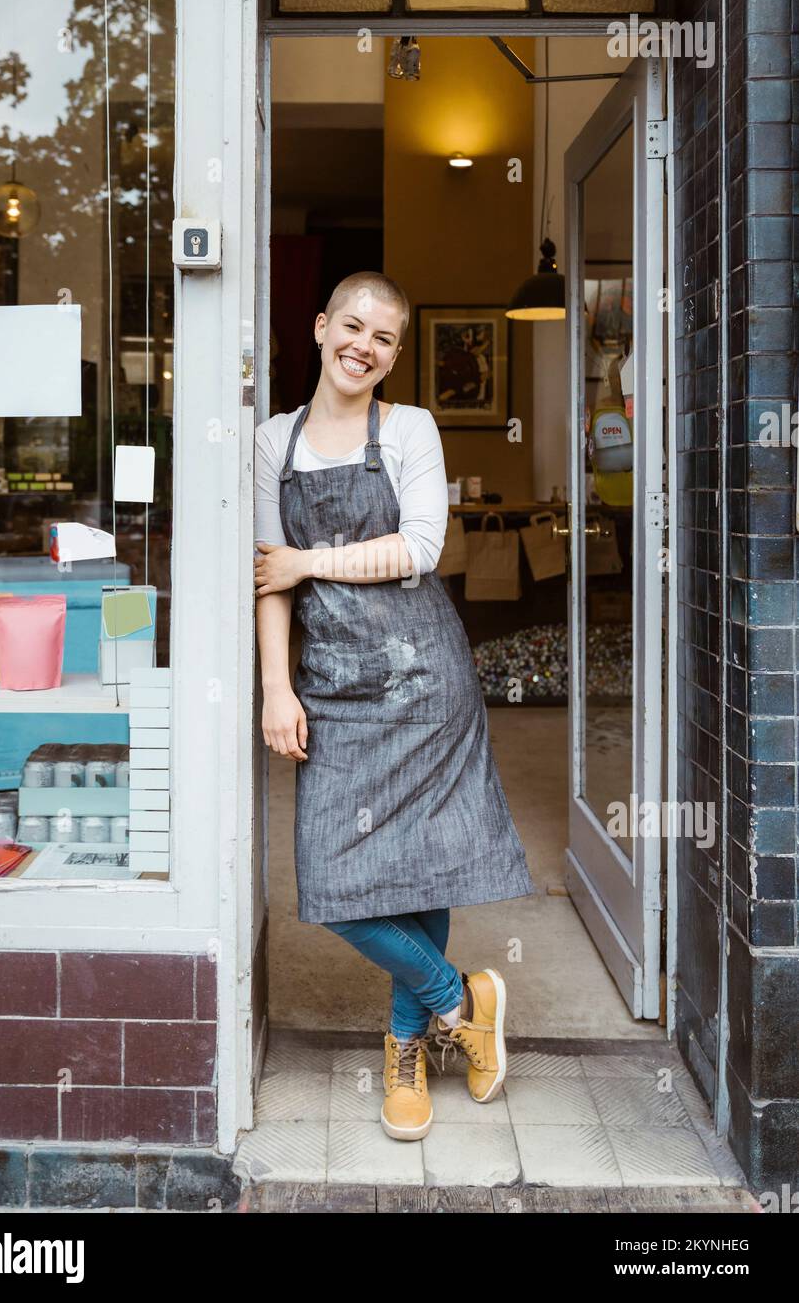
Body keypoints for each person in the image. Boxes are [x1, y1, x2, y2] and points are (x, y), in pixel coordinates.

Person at [253, 270, 535, 1142]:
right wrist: (275, 685)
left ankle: (407, 1049)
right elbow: (269, 576)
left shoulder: (409, 426)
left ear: (396, 354)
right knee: (335, 884)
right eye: (351, 326)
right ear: (319, 325)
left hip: (424, 685)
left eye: (382, 337)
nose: (362, 346)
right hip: (333, 688)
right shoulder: (273, 442)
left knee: (421, 868)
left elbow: (421, 547)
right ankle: (463, 1001)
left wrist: (310, 562)